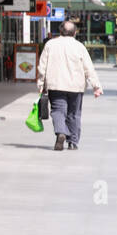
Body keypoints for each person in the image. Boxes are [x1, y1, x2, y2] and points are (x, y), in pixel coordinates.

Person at [37, 19, 103, 150]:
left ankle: (61, 132)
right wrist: (96, 86)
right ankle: (73, 142)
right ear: (75, 33)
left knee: (58, 111)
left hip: (56, 85)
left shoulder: (50, 45)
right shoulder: (79, 46)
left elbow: (42, 67)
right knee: (74, 113)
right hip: (76, 86)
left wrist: (40, 84)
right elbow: (88, 68)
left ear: (60, 31)